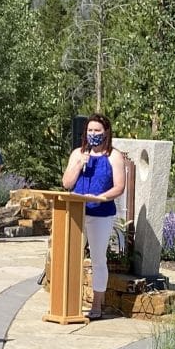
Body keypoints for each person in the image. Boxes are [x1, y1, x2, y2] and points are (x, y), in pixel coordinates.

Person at [61, 113, 126, 319]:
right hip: (77, 212)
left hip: (101, 213)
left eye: (97, 130)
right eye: (90, 130)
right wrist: (79, 164)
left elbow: (119, 187)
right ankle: (69, 303)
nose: (93, 134)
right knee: (71, 257)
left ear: (106, 132)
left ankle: (97, 304)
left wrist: (101, 198)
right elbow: (66, 183)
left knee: (98, 258)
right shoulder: (78, 154)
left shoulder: (113, 156)